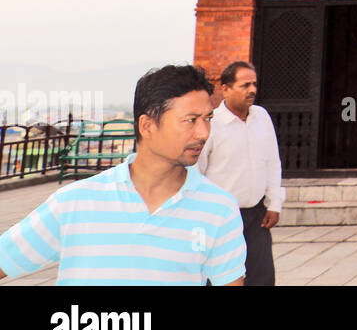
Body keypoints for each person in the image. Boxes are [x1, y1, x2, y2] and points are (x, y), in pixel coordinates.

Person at [0, 65, 245, 285]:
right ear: (147, 126)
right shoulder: (75, 202)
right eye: (190, 120)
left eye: (207, 119)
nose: (203, 133)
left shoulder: (219, 208)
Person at [197, 60, 283, 286]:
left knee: (262, 278)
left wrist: (274, 204)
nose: (252, 90)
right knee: (219, 278)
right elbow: (197, 170)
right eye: (245, 85)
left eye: (254, 84)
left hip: (257, 215)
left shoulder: (262, 117)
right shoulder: (211, 125)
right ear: (225, 88)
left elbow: (273, 162)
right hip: (221, 218)